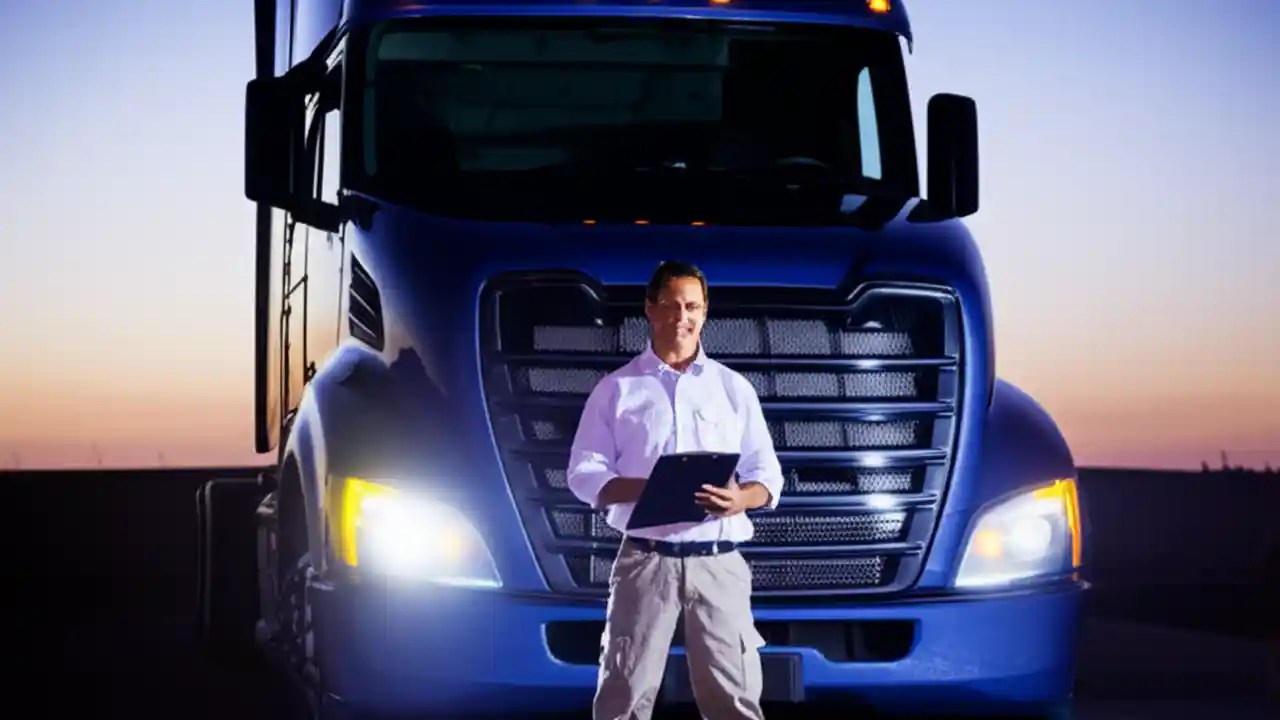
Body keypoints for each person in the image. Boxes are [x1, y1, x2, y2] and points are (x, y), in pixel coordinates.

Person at [566, 260, 785, 720]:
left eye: (692, 306)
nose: (681, 317)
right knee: (623, 699)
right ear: (650, 309)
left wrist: (740, 499)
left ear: (704, 313)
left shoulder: (733, 389)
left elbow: (768, 474)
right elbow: (584, 474)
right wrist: (648, 487)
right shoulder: (616, 390)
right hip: (645, 562)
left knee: (736, 702)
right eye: (670, 305)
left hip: (718, 564)